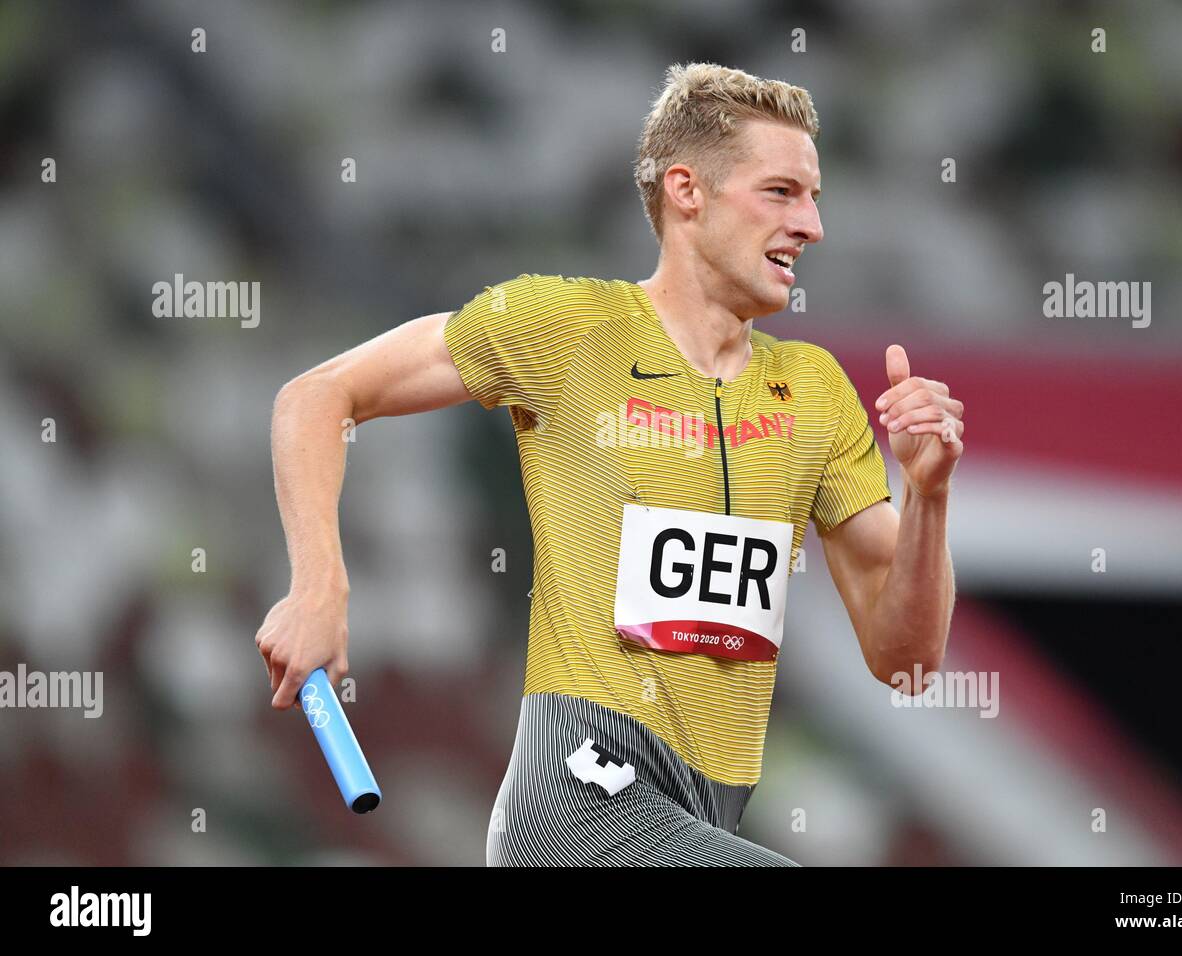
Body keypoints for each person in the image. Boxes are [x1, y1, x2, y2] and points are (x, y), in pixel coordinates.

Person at [255, 62, 965, 866]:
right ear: (686, 191)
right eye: (780, 192)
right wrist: (320, 587)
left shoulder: (815, 391)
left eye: (815, 197)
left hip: (699, 821)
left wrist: (929, 494)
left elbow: (905, 658)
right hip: (577, 806)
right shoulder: (565, 326)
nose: (812, 225)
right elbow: (317, 397)